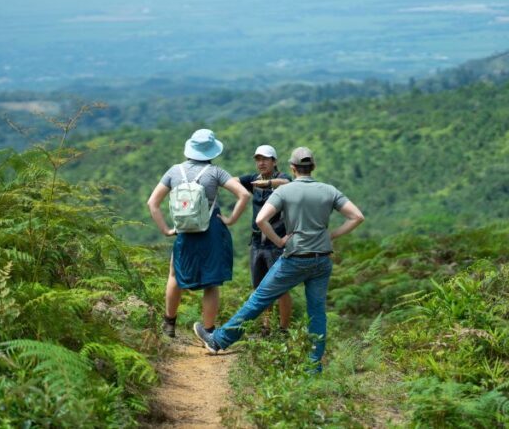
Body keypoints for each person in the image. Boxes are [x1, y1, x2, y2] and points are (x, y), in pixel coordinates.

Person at [194, 147, 364, 371]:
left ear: (292, 168)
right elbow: (357, 216)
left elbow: (261, 220)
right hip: (322, 259)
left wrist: (279, 241)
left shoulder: (285, 191)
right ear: (313, 167)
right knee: (317, 312)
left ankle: (219, 340)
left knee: (259, 299)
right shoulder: (329, 190)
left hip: (295, 256)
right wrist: (330, 235)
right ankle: (313, 367)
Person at [147, 129, 250, 338]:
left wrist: (166, 229)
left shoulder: (174, 171)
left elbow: (152, 203)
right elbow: (244, 194)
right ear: (211, 151)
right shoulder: (216, 172)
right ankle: (209, 331)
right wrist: (231, 219)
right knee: (211, 283)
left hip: (185, 230)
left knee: (175, 275)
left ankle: (169, 324)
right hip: (211, 230)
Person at [237, 145, 293, 335]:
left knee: (281, 287)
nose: (261, 163)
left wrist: (267, 184)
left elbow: (288, 183)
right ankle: (265, 327)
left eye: (265, 159)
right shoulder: (253, 179)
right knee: (260, 287)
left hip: (276, 242)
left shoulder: (283, 178)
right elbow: (231, 181)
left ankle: (284, 329)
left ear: (274, 161)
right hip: (256, 242)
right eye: (258, 159)